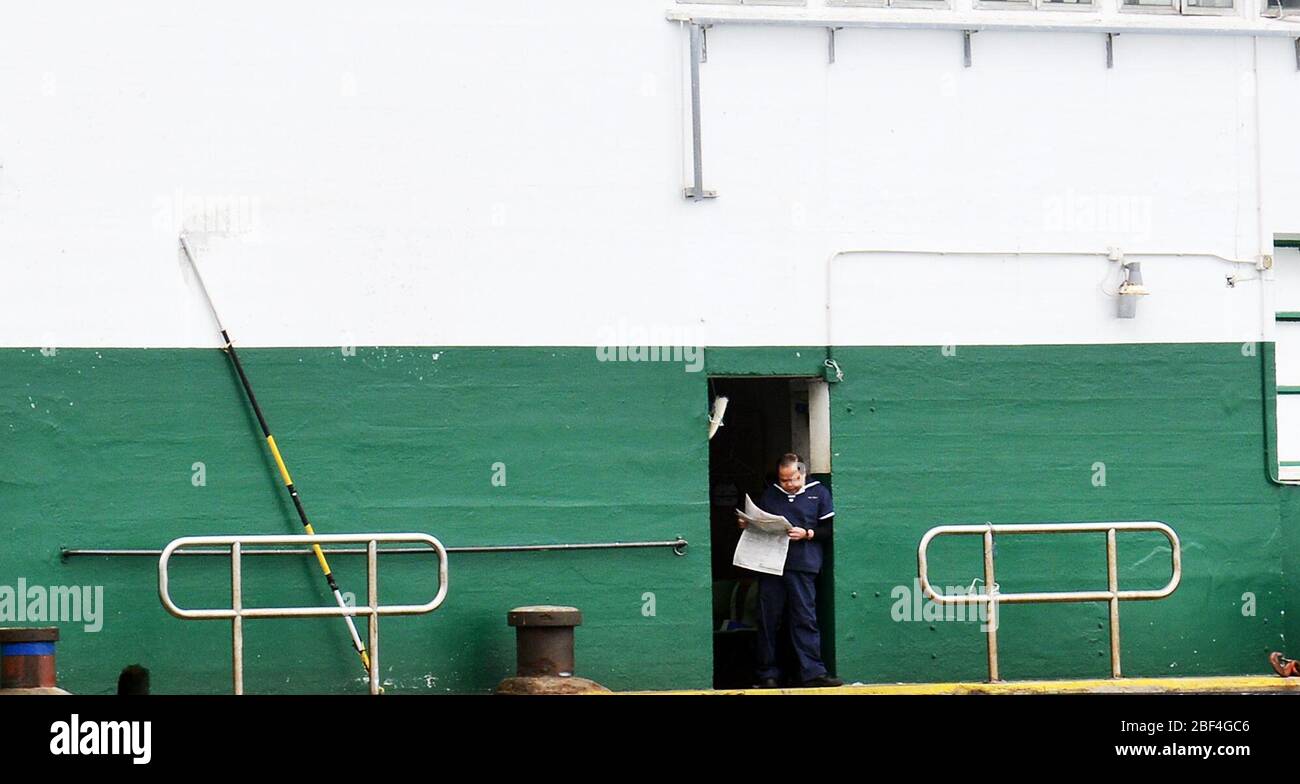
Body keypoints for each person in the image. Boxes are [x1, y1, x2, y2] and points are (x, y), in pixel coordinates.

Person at [737, 453, 842, 689]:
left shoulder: (819, 493)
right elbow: (761, 522)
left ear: (803, 473)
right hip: (771, 565)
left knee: (804, 618)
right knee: (768, 620)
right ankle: (767, 674)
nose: (790, 485)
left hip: (803, 565)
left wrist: (807, 533)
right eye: (784, 480)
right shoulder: (771, 494)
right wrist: (748, 523)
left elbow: (828, 529)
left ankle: (811, 672)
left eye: (794, 479)